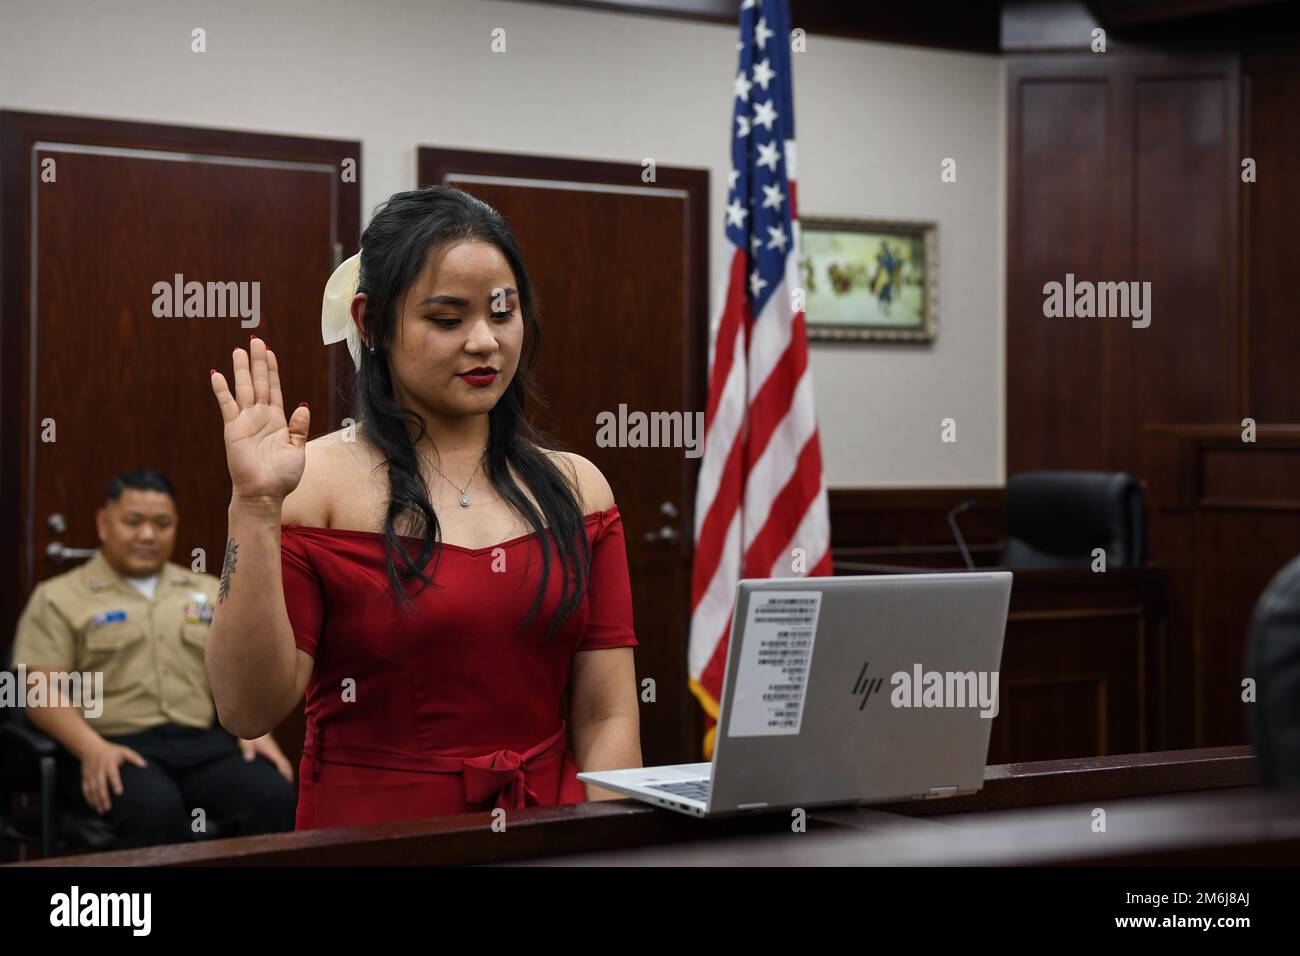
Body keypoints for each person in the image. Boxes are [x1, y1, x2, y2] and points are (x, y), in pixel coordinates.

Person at [206, 185, 642, 829]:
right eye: (446, 319)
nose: (484, 342)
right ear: (371, 322)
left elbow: (608, 716)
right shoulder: (313, 483)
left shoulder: (579, 490)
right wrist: (254, 505)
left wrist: (610, 843)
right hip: (372, 839)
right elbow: (247, 708)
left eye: (503, 312)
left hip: (544, 832)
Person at [11, 468, 297, 850]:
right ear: (103, 523)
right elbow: (38, 690)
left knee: (270, 793)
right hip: (114, 744)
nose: (147, 534)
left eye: (161, 524)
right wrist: (91, 749)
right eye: (133, 522)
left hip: (200, 744)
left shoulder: (208, 589)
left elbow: (239, 668)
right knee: (155, 809)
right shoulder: (60, 597)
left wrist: (257, 731)